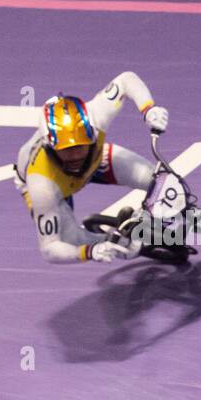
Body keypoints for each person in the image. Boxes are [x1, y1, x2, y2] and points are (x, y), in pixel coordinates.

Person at [14, 76, 170, 263]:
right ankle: (113, 242)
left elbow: (127, 80)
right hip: (57, 183)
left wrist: (148, 109)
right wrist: (91, 251)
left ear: (92, 135)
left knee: (160, 180)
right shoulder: (41, 186)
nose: (75, 157)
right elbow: (50, 248)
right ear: (50, 147)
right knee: (70, 240)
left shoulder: (96, 115)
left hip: (96, 160)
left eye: (80, 146)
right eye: (66, 150)